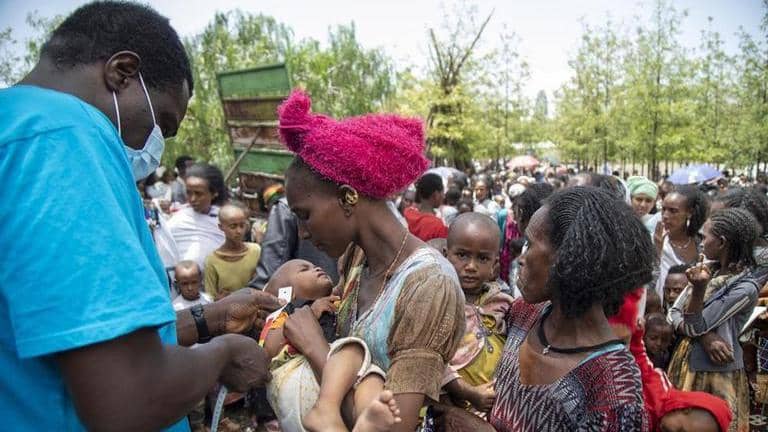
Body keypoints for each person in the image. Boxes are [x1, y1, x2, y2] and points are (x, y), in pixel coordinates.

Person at [0, 3, 275, 430]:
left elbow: (72, 332)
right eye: (161, 123)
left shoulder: (15, 126)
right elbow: (126, 397)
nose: (155, 146)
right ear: (122, 72)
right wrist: (221, 356)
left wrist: (208, 319)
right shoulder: (65, 138)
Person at [275, 90, 465, 432]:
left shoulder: (429, 285)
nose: (302, 233)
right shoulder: (356, 257)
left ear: (348, 197)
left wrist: (316, 349)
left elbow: (396, 426)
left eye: (305, 215)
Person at [483, 187, 653, 431]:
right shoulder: (522, 314)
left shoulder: (613, 390)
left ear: (568, 259)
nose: (522, 258)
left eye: (530, 244)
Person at [256, 260, 399, 432]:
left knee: (371, 376)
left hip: (318, 387)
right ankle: (326, 409)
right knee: (352, 350)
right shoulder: (285, 311)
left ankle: (367, 420)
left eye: (314, 265)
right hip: (296, 378)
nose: (316, 267)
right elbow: (269, 348)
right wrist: (311, 312)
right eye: (304, 269)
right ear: (287, 294)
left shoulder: (331, 304)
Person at [667, 208, 761, 432]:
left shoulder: (745, 288)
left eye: (705, 236)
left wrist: (698, 290)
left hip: (716, 374)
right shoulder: (709, 270)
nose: (700, 242)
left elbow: (691, 324)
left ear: (721, 242)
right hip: (688, 363)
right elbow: (672, 313)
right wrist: (707, 336)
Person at [442, 214, 514, 416]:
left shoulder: (503, 303)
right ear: (446, 255)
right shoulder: (440, 303)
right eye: (462, 255)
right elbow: (432, 360)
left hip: (497, 406)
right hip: (455, 406)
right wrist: (469, 393)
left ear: (495, 265)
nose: (471, 266)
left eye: (482, 258)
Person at [167, 163, 227, 271]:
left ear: (214, 193)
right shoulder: (177, 220)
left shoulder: (226, 220)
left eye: (199, 194)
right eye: (189, 193)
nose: (193, 199)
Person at [653, 185, 709, 299]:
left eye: (673, 211)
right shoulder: (654, 241)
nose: (665, 216)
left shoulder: (702, 243)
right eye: (663, 209)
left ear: (689, 212)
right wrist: (657, 251)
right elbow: (646, 285)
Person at [204, 203, 261, 300]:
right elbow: (210, 296)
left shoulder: (256, 251)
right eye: (233, 226)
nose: (239, 231)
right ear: (221, 227)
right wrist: (220, 299)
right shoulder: (212, 260)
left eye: (242, 225)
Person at [404, 173, 449, 241]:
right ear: (436, 195)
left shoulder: (407, 213)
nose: (444, 196)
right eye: (443, 192)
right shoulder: (438, 226)